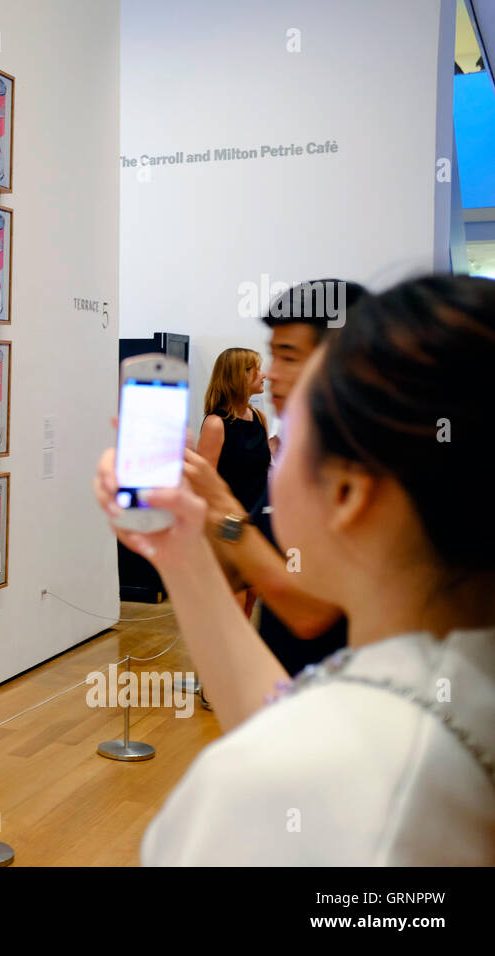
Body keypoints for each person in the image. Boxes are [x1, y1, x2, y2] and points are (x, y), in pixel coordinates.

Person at [94, 274, 495, 864]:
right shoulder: (451, 678)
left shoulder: (287, 780)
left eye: (302, 426)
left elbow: (297, 745)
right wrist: (180, 554)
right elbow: (284, 711)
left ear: (350, 491)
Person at [187, 280, 364, 677]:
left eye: (287, 357)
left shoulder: (361, 473)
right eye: (264, 362)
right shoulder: (230, 429)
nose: (269, 375)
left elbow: (307, 612)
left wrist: (228, 518)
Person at [196, 348, 269, 513]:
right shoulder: (216, 424)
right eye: (256, 370)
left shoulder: (259, 417)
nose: (263, 375)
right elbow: (205, 484)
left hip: (257, 516)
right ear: (239, 375)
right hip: (229, 520)